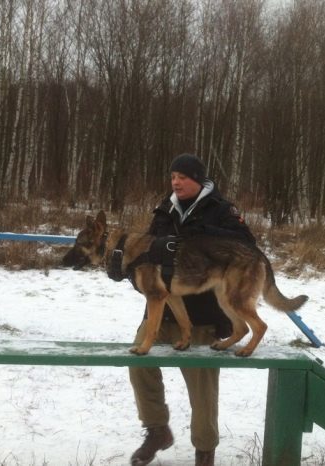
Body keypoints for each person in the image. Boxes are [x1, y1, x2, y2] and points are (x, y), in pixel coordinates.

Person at [129, 153, 256, 466]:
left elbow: (247, 245)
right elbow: (148, 249)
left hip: (205, 312)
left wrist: (201, 238)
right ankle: (157, 430)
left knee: (202, 385)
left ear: (198, 179)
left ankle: (204, 449)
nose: (176, 182)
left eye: (183, 177)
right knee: (137, 364)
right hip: (162, 308)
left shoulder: (222, 210)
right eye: (173, 177)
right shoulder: (164, 208)